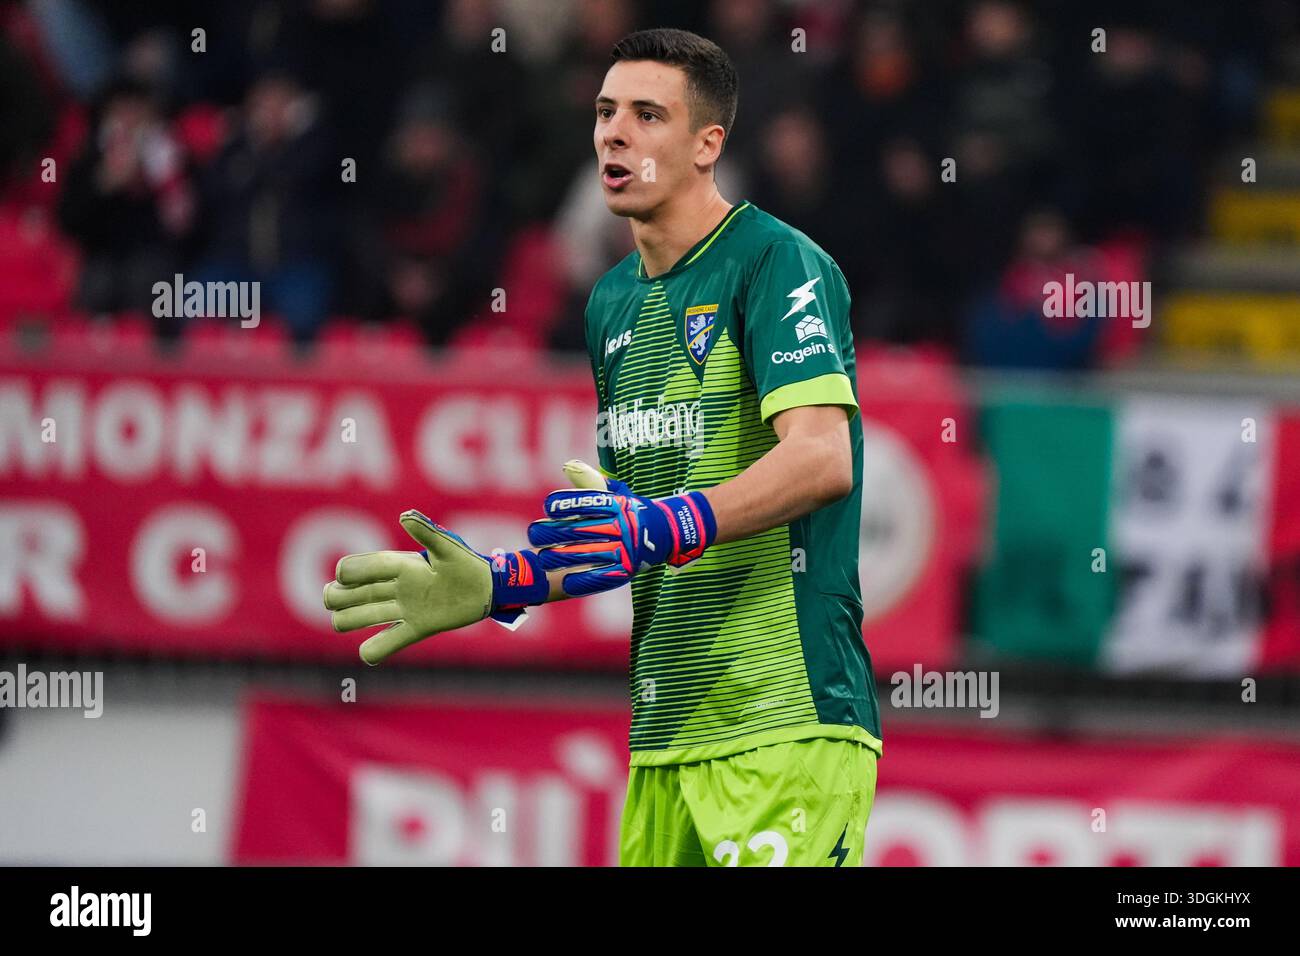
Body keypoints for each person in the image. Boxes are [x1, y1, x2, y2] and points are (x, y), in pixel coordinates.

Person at [323, 27, 882, 868]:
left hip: (785, 720)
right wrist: (504, 581)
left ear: (707, 145)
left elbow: (820, 459)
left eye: (647, 115)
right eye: (605, 111)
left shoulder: (777, 262)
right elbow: (627, 527)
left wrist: (669, 524)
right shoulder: (610, 304)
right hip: (665, 736)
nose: (614, 133)